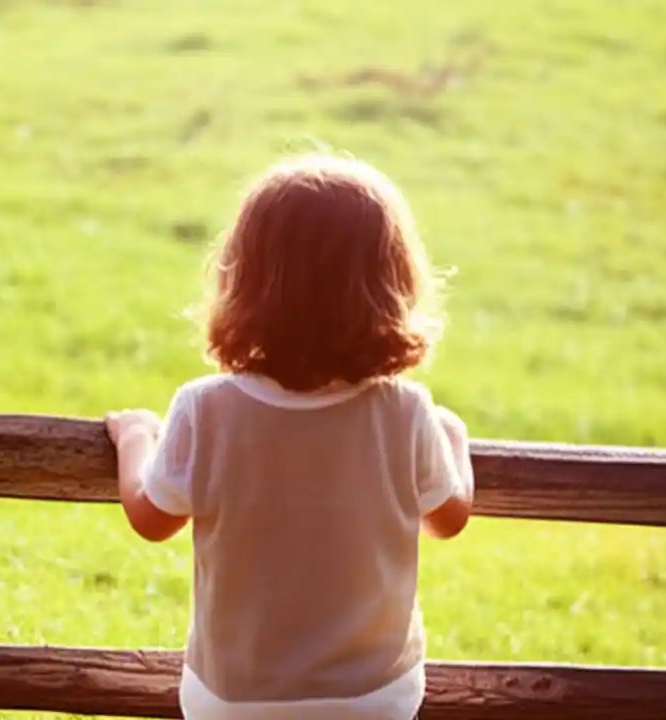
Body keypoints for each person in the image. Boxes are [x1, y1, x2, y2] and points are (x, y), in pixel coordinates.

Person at [104, 153, 476, 720]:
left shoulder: (205, 409)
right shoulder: (405, 414)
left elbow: (152, 520)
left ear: (243, 281)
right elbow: (448, 517)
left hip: (234, 699)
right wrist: (454, 435)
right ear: (394, 284)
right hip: (374, 698)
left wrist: (134, 436)